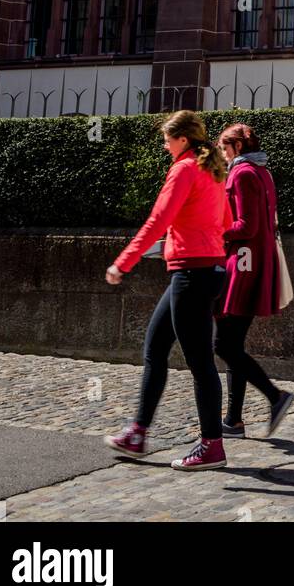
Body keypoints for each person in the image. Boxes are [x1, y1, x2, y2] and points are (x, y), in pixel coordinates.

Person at [104, 110, 231, 472]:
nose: (164, 145)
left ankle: (211, 446)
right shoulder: (212, 170)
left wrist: (123, 262)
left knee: (199, 363)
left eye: (167, 138)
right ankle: (137, 432)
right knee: (155, 348)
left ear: (184, 140)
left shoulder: (185, 169)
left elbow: (158, 219)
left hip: (192, 273)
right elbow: (222, 221)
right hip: (201, 269)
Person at [214, 122, 293, 438]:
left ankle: (276, 397)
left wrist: (214, 231)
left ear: (234, 147)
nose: (221, 155)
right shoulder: (263, 172)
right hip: (256, 263)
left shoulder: (242, 173)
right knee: (233, 344)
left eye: (222, 148)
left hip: (242, 265)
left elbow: (246, 225)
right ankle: (233, 421)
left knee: (224, 344)